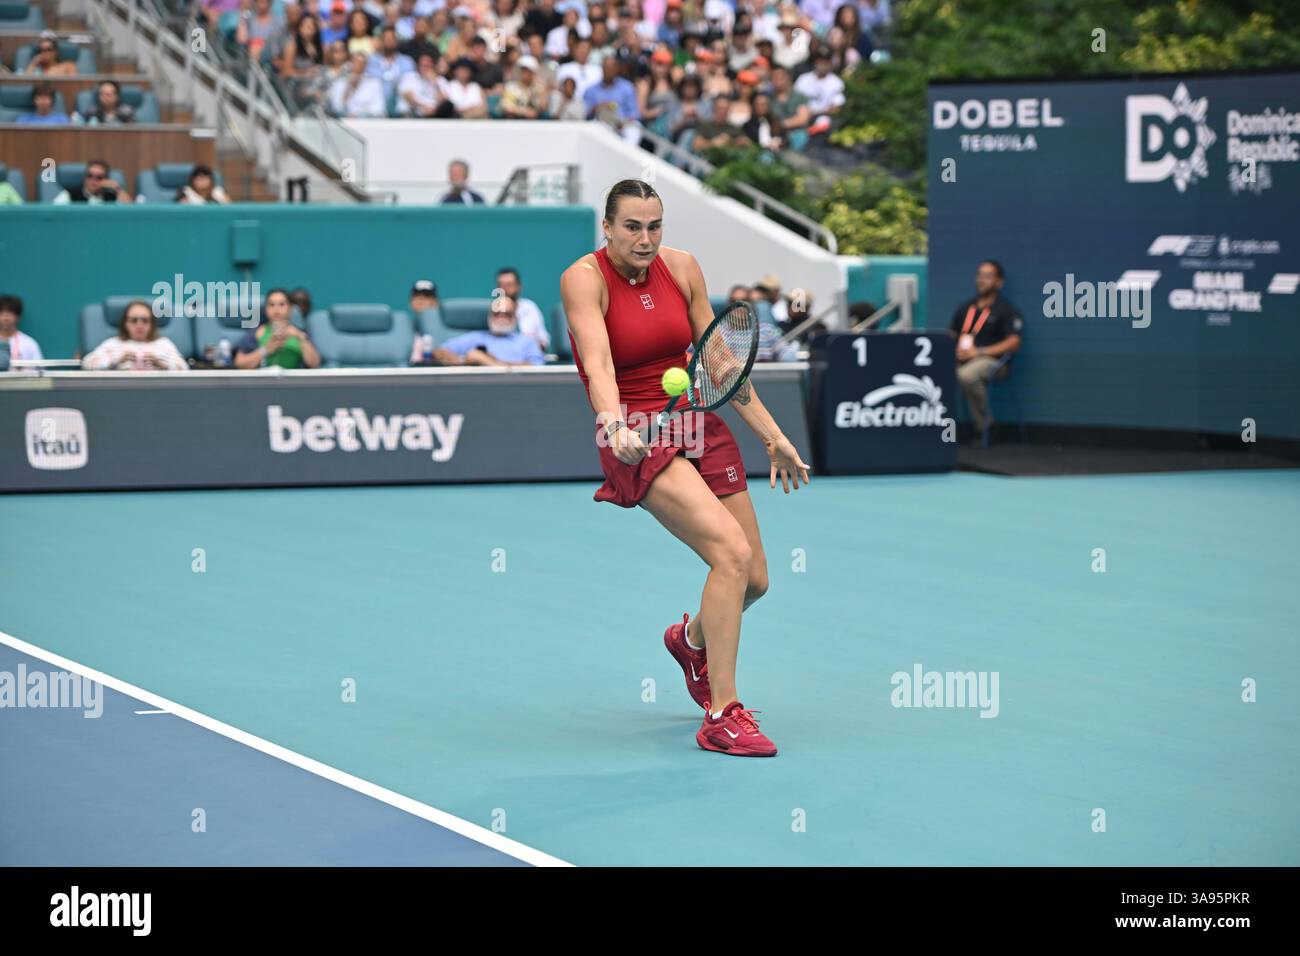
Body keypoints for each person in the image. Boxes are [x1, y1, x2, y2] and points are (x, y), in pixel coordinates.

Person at [560, 179, 810, 758]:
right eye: (631, 227)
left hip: (694, 421)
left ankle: (691, 640)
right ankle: (722, 714)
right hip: (634, 431)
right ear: (607, 226)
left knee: (754, 581)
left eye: (655, 226)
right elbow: (598, 363)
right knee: (729, 553)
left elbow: (721, 365)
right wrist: (613, 422)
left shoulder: (684, 268)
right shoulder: (585, 279)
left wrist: (772, 437)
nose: (645, 239)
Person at [950, 260, 1023, 438]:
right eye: (979, 275)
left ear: (999, 282)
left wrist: (979, 352)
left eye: (988, 276)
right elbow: (952, 334)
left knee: (967, 375)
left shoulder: (1005, 310)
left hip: (993, 362)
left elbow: (1014, 343)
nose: (981, 280)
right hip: (963, 359)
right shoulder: (966, 308)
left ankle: (986, 425)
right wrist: (955, 349)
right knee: (937, 373)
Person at [431, 295, 545, 366]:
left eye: (507, 314)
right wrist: (464, 361)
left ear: (515, 318)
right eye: (497, 314)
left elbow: (537, 367)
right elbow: (439, 352)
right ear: (489, 317)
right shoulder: (475, 337)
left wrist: (488, 361)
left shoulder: (526, 341)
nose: (501, 318)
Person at [82, 300, 188, 371]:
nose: (139, 325)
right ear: (126, 323)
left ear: (151, 324)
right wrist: (116, 360)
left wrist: (162, 364)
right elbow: (87, 364)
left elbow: (184, 368)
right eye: (134, 320)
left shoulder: (163, 343)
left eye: (145, 320)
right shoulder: (113, 343)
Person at [234, 288, 323, 369]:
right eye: (271, 305)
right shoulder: (257, 332)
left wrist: (301, 338)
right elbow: (239, 363)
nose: (276, 309)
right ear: (265, 309)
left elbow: (315, 364)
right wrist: (265, 350)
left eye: (282, 304)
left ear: (290, 308)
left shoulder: (300, 333)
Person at [494, 267, 549, 351]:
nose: (504, 289)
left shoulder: (530, 308)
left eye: (509, 284)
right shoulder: (494, 310)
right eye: (501, 285)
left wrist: (530, 344)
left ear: (518, 286)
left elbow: (543, 341)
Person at [52, 159, 133, 204]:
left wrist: (117, 188)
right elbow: (54, 214)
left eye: (99, 177)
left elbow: (130, 211)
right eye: (89, 176)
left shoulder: (111, 196)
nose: (93, 180)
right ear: (84, 177)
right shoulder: (69, 195)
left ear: (106, 179)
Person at [0, 295, 44, 366]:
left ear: (18, 317)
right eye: (2, 313)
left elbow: (40, 371)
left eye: (10, 313)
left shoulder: (29, 343)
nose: (6, 318)